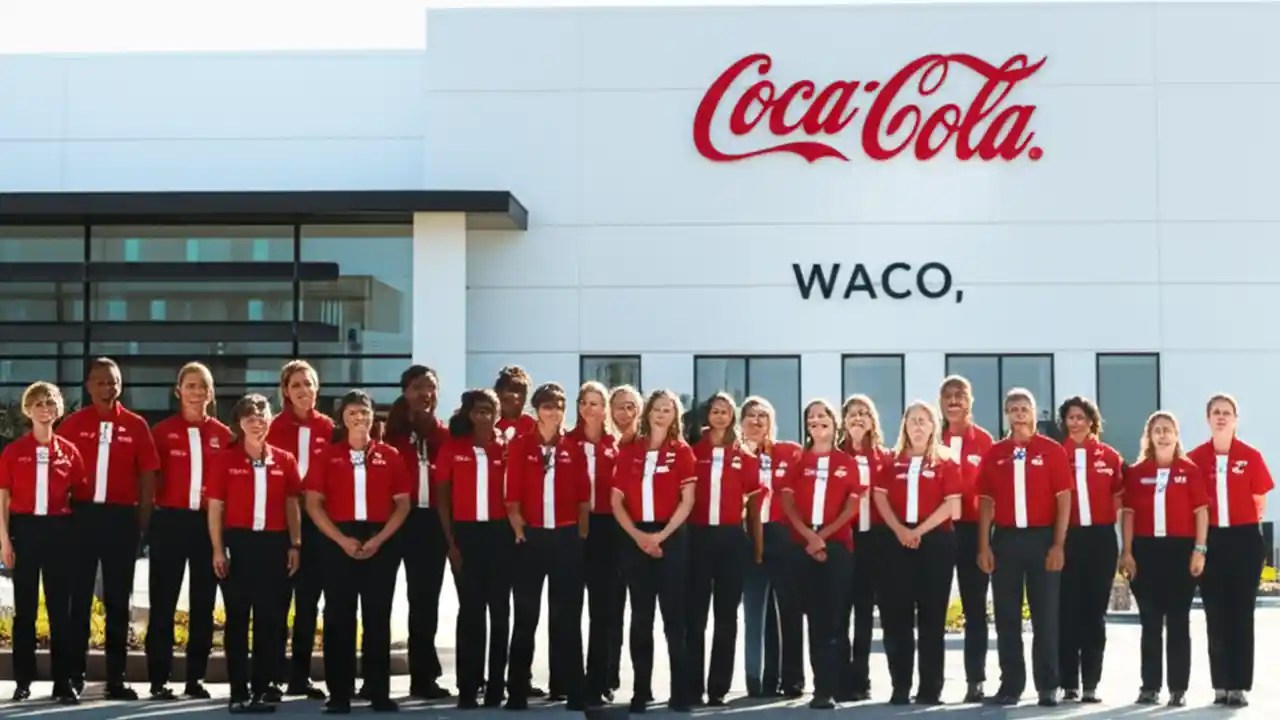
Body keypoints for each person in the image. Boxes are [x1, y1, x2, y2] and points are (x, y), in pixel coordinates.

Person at [58, 357, 161, 700]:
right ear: (88, 386)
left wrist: (142, 521)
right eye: (100, 382)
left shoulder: (136, 425)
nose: (108, 388)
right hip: (81, 519)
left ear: (121, 385)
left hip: (121, 519)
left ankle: (115, 679)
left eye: (113, 382)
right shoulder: (72, 424)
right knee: (79, 600)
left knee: (119, 601)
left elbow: (148, 476)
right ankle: (74, 675)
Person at [305, 390, 411, 714]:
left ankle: (378, 692)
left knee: (378, 617)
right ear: (342, 418)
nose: (358, 418)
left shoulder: (390, 455)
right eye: (352, 412)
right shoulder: (327, 455)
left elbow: (403, 504)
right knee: (339, 617)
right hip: (339, 539)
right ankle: (339, 695)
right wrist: (340, 539)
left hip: (381, 537)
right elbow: (312, 503)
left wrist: (379, 540)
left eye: (364, 412)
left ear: (372, 417)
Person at [207, 394, 303, 713]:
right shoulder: (225, 459)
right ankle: (238, 690)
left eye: (262, 415)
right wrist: (219, 549)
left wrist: (295, 543)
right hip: (239, 544)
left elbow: (292, 504)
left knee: (269, 619)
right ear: (239, 422)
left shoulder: (284, 459)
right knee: (237, 619)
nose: (256, 421)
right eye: (249, 416)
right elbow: (216, 507)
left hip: (274, 544)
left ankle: (264, 686)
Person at [976, 388, 1071, 707]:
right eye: (1013, 408)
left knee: (1046, 615)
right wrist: (984, 545)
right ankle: (1010, 685)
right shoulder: (995, 452)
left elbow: (1064, 499)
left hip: (1042, 539)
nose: (1019, 412)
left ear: (1033, 412)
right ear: (1006, 413)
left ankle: (1048, 685)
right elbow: (986, 501)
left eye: (1024, 407)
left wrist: (1058, 544)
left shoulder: (1052, 450)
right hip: (1005, 540)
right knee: (1006, 616)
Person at [146, 362, 231, 700]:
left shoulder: (224, 435)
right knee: (163, 602)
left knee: (203, 604)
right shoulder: (162, 431)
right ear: (178, 390)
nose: (197, 392)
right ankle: (158, 678)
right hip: (170, 522)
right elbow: (148, 478)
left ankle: (195, 678)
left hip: (207, 525)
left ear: (211, 393)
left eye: (203, 386)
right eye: (191, 385)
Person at [504, 382, 590, 710]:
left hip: (566, 538)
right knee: (526, 616)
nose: (553, 412)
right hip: (531, 538)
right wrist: (520, 530)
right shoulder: (521, 445)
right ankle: (517, 691)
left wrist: (580, 535)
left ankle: (568, 687)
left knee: (566, 617)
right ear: (536, 410)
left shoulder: (574, 446)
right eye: (547, 406)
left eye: (558, 406)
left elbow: (584, 497)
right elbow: (511, 497)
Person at [611, 389, 697, 714]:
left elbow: (686, 501)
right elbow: (616, 501)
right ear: (647, 413)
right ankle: (641, 690)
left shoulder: (682, 451)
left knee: (675, 620)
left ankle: (680, 693)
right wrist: (638, 536)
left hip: (670, 538)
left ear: (675, 416)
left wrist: (660, 536)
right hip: (635, 538)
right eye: (657, 409)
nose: (662, 414)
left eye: (668, 410)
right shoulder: (630, 450)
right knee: (641, 618)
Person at [873, 400, 962, 705]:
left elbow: (953, 505)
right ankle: (900, 686)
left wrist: (918, 532)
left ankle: (930, 688)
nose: (918, 425)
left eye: (924, 420)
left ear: (934, 426)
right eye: (913, 420)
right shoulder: (890, 460)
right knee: (896, 617)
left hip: (935, 543)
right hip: (895, 543)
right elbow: (880, 498)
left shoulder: (946, 461)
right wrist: (900, 530)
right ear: (905, 426)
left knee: (932, 618)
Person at [0, 382, 83, 704]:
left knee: (60, 611)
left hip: (59, 532)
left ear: (59, 409)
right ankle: (23, 681)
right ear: (27, 410)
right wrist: (5, 541)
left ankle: (62, 682)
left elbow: (78, 497)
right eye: (37, 403)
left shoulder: (69, 452)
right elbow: (3, 498)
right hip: (25, 531)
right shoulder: (13, 452)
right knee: (25, 612)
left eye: (50, 402)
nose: (44, 408)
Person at [1187, 394, 1272, 708]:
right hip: (1210, 541)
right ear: (1208, 419)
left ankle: (1239, 685)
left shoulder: (1250, 455)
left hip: (1244, 539)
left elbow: (1259, 501)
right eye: (1215, 413)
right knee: (1215, 614)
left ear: (1236, 419)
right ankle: (1220, 684)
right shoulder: (1195, 457)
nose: (1221, 417)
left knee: (1241, 613)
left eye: (1227, 413)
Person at [1119, 411, 1208, 707]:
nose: (1162, 434)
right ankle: (1149, 686)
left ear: (1176, 434)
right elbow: (1128, 514)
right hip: (1146, 552)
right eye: (1157, 430)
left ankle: (1178, 689)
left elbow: (1201, 513)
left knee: (1179, 621)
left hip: (1181, 551)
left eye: (1167, 429)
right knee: (1150, 621)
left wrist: (1200, 549)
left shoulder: (1189, 470)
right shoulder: (1136, 471)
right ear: (1149, 436)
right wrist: (1127, 551)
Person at [778, 398, 859, 710]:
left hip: (836, 547)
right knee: (813, 618)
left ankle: (829, 687)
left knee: (832, 619)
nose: (817, 420)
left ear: (833, 421)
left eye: (822, 415)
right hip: (802, 546)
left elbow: (852, 507)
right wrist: (809, 537)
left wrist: (822, 537)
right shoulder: (798, 461)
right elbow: (787, 503)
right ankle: (816, 686)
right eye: (811, 417)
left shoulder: (846, 462)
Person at [436, 388, 512, 709]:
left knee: (500, 611)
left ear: (498, 414)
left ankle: (497, 685)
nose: (484, 416)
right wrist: (451, 542)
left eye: (490, 410)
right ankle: (468, 686)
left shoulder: (508, 448)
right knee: (470, 612)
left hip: (501, 536)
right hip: (466, 536)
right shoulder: (453, 448)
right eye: (479, 410)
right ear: (470, 413)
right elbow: (442, 498)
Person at [383, 365, 454, 700]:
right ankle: (374, 677)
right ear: (405, 392)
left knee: (424, 602)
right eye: (417, 388)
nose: (425, 394)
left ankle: (423, 677)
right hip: (393, 522)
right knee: (378, 601)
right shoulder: (389, 435)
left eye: (431, 388)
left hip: (430, 525)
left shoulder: (445, 435)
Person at [687, 393, 761, 706]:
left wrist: (757, 547)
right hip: (698, 538)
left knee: (726, 616)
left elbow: (755, 505)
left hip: (731, 540)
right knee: (695, 616)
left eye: (726, 412)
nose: (720, 416)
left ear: (733, 417)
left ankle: (718, 687)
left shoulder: (743, 454)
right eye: (715, 411)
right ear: (708, 415)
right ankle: (691, 686)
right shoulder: (693, 450)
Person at [266, 360, 333, 701]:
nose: (303, 391)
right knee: (279, 600)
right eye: (296, 386)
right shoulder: (273, 428)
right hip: (282, 522)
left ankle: (300, 676)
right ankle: (274, 676)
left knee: (309, 603)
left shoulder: (330, 428)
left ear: (317, 388)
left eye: (308, 384)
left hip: (320, 524)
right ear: (285, 392)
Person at [1056, 396, 1124, 703]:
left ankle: (1091, 684)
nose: (1075, 422)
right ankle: (1068, 682)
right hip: (1068, 538)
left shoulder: (1109, 456)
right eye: (1070, 417)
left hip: (1100, 540)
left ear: (1091, 420)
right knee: (1067, 611)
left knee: (1094, 615)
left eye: (1081, 417)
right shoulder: (1057, 454)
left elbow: (1120, 501)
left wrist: (1125, 547)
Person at [740, 396, 805, 700]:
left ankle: (791, 679)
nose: (756, 421)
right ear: (741, 423)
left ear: (771, 422)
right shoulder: (735, 455)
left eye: (762, 416)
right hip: (748, 535)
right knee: (756, 612)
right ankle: (758, 679)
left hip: (782, 535)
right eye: (750, 416)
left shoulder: (789, 452)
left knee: (788, 611)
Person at [938, 375, 995, 703]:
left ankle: (976, 680)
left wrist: (988, 540)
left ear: (970, 401)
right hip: (939, 532)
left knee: (975, 609)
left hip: (974, 531)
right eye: (948, 395)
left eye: (960, 395)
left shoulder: (985, 441)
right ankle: (931, 682)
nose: (954, 400)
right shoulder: (933, 436)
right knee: (933, 610)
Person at [836, 394, 893, 702]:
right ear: (843, 422)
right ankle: (841, 678)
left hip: (876, 541)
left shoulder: (885, 457)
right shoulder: (835, 456)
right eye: (852, 414)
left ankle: (861, 676)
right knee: (841, 610)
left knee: (863, 612)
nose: (858, 418)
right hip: (845, 538)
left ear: (873, 421)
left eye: (864, 413)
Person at [571, 382, 624, 706]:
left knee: (605, 610)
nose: (590, 408)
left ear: (605, 408)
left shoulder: (614, 445)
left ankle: (601, 680)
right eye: (584, 402)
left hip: (607, 528)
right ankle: (569, 680)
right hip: (572, 529)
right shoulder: (566, 442)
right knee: (569, 608)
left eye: (596, 403)